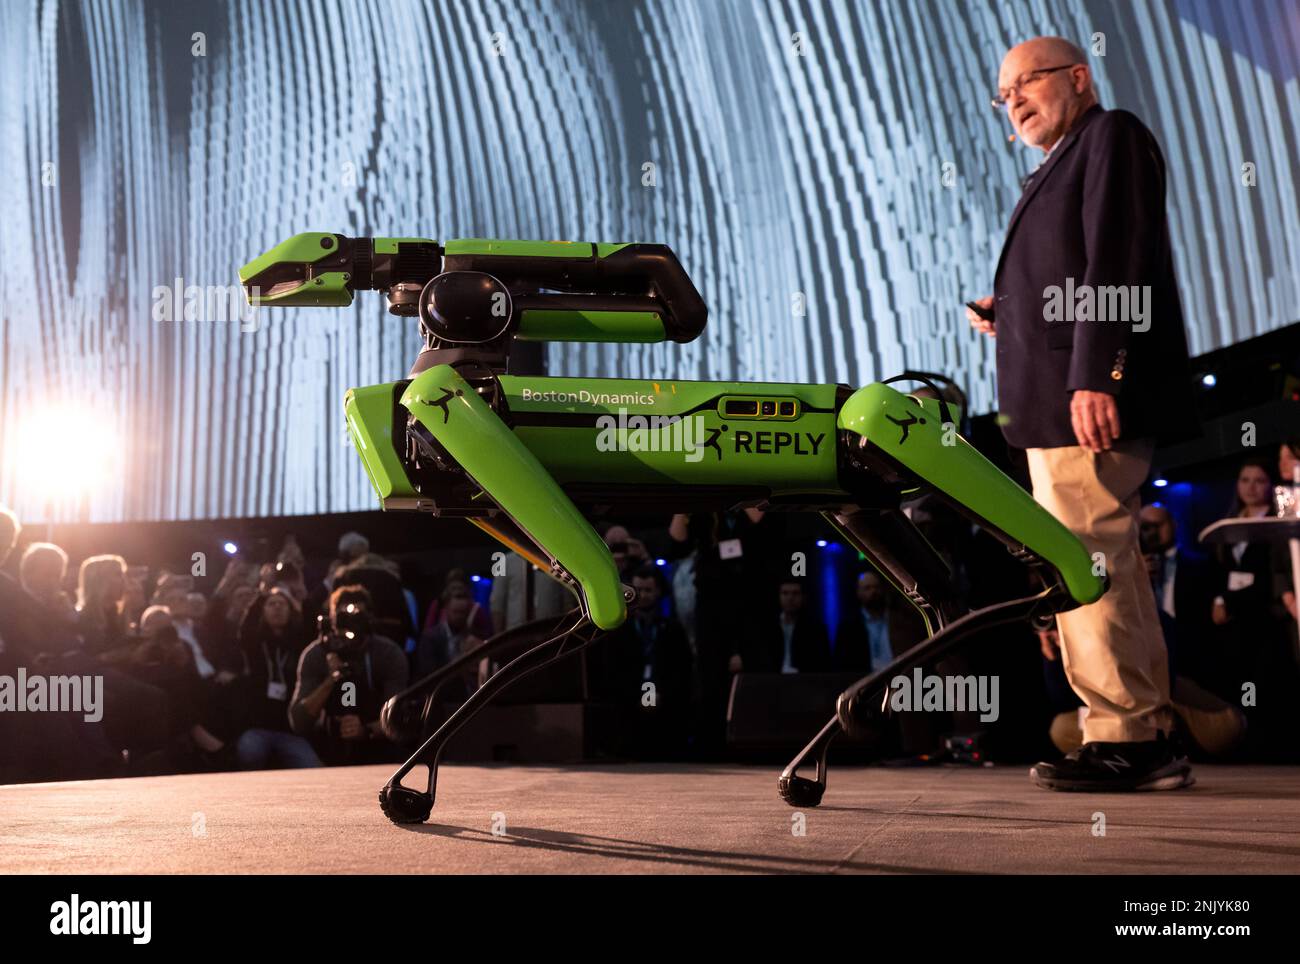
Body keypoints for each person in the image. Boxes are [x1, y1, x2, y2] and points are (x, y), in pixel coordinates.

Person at [970, 36, 1199, 791]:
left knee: (1090, 553)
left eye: (1025, 83)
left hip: (1086, 400)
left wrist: (1099, 373)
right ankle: (1146, 732)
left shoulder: (1111, 136)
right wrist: (1014, 312)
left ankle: (1128, 736)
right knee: (1102, 560)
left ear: (1077, 76)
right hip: (1054, 403)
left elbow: (1118, 259)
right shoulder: (1066, 158)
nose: (1015, 101)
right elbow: (1076, 275)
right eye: (1004, 96)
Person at [289, 585, 409, 764]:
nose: (350, 623)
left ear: (369, 618)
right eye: (343, 614)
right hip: (329, 742)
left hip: (378, 744)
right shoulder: (317, 654)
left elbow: (400, 717)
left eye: (357, 613)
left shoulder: (387, 653)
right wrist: (331, 679)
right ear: (332, 618)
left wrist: (367, 730)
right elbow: (298, 720)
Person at [595, 566, 694, 757]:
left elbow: (682, 669)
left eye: (648, 590)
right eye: (638, 590)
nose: (643, 596)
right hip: (628, 707)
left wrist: (661, 694)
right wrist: (635, 696)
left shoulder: (672, 629)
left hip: (666, 707)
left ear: (659, 591)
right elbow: (611, 671)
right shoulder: (619, 630)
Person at [233, 587, 321, 769]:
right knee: (248, 753)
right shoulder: (256, 644)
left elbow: (314, 630)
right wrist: (262, 594)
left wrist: (302, 596)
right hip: (258, 728)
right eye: (271, 604)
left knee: (312, 766)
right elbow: (244, 630)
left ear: (291, 611)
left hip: (291, 731)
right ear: (263, 612)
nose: (277, 608)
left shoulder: (300, 644)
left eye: (282, 604)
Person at [742, 578, 831, 674]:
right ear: (779, 596)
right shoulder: (766, 627)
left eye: (795, 593)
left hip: (803, 681)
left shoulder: (815, 628)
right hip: (772, 681)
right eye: (785, 593)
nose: (790, 598)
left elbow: (822, 663)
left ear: (803, 597)